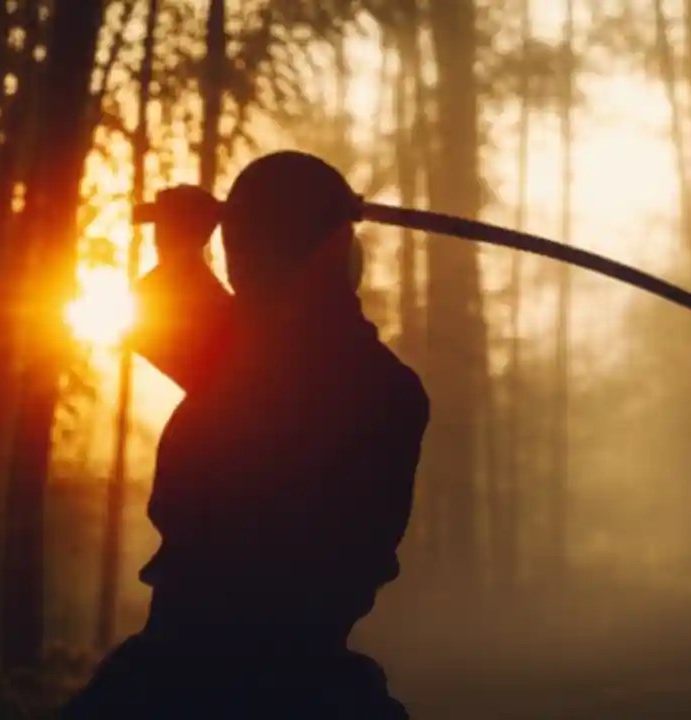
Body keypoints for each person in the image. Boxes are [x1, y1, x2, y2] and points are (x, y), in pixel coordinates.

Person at [62, 152, 429, 719]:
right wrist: (183, 254)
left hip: (190, 682)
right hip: (291, 685)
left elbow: (226, 341)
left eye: (243, 256)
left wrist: (182, 252)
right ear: (339, 249)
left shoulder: (262, 365)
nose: (237, 273)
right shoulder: (386, 390)